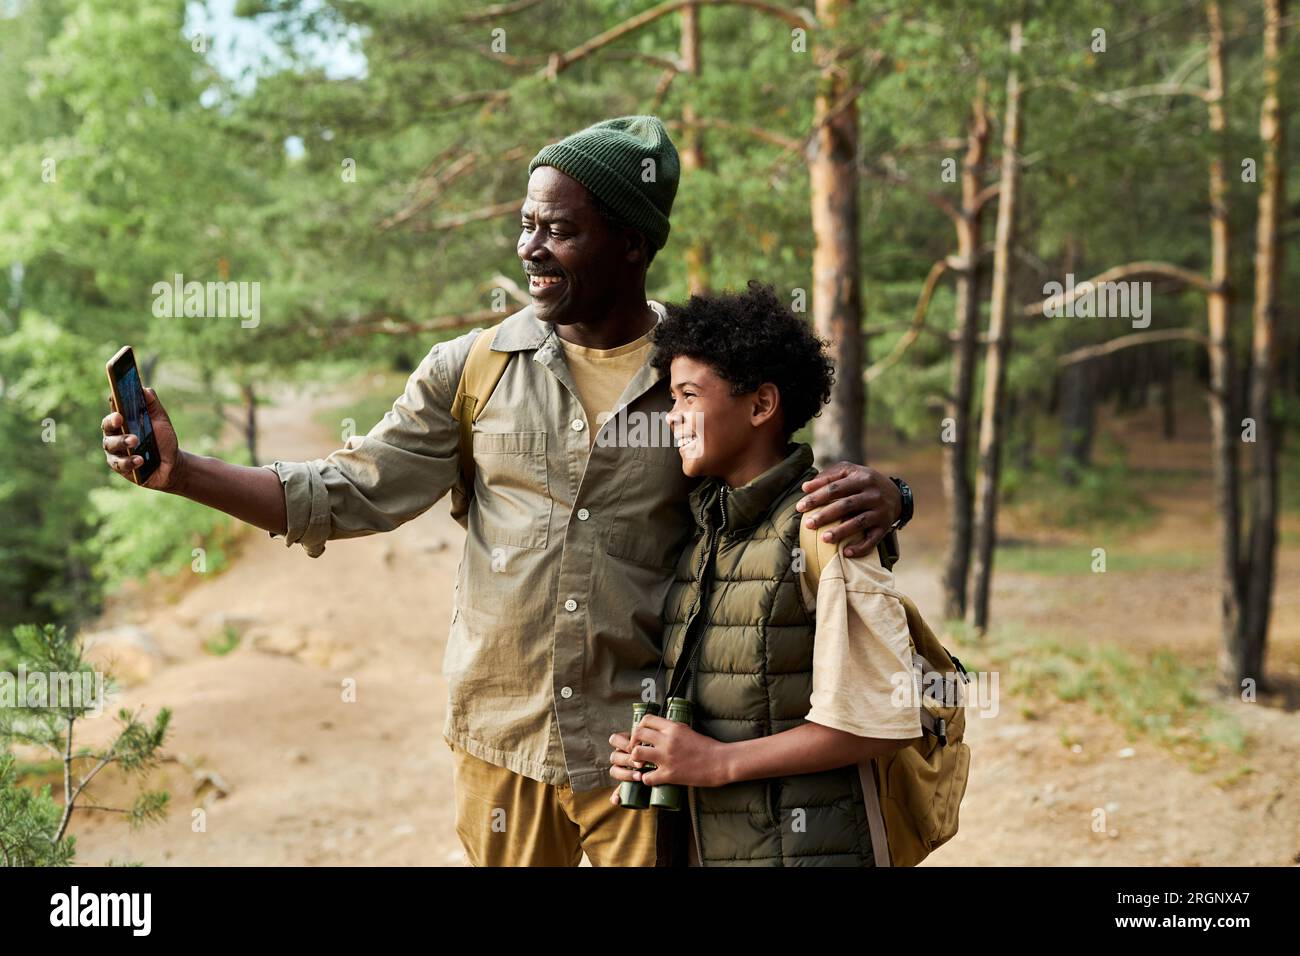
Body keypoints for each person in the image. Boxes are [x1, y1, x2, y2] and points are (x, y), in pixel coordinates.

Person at [100, 116, 912, 867]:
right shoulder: (473, 368)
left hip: (642, 749)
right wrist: (183, 472)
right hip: (502, 742)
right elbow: (345, 491)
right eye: (526, 224)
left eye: (560, 229)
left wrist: (892, 494)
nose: (531, 248)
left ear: (631, 244)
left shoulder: (692, 377)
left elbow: (776, 493)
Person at [608, 282, 923, 866]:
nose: (671, 418)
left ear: (760, 406)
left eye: (687, 396)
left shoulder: (825, 527)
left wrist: (717, 762)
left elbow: (882, 719)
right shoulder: (705, 530)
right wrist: (657, 756)